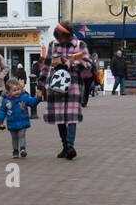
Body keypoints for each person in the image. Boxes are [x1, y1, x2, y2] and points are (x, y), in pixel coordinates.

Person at [36, 22, 94, 159]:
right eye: (58, 38)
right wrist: (40, 84)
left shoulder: (80, 45)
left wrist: (73, 62)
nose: (60, 41)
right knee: (60, 117)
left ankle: (70, 146)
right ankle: (65, 147)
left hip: (73, 85)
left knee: (72, 116)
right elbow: (47, 65)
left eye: (62, 38)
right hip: (56, 85)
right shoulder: (52, 45)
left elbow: (89, 64)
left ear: (68, 35)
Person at [0, 76, 40, 158]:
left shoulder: (24, 97)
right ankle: (15, 150)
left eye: (18, 89)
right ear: (9, 91)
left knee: (21, 135)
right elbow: (2, 111)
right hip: (11, 122)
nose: (17, 92)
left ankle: (22, 149)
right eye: (14, 90)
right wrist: (0, 121)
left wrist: (37, 98)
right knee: (14, 138)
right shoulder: (6, 101)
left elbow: (31, 102)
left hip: (22, 120)